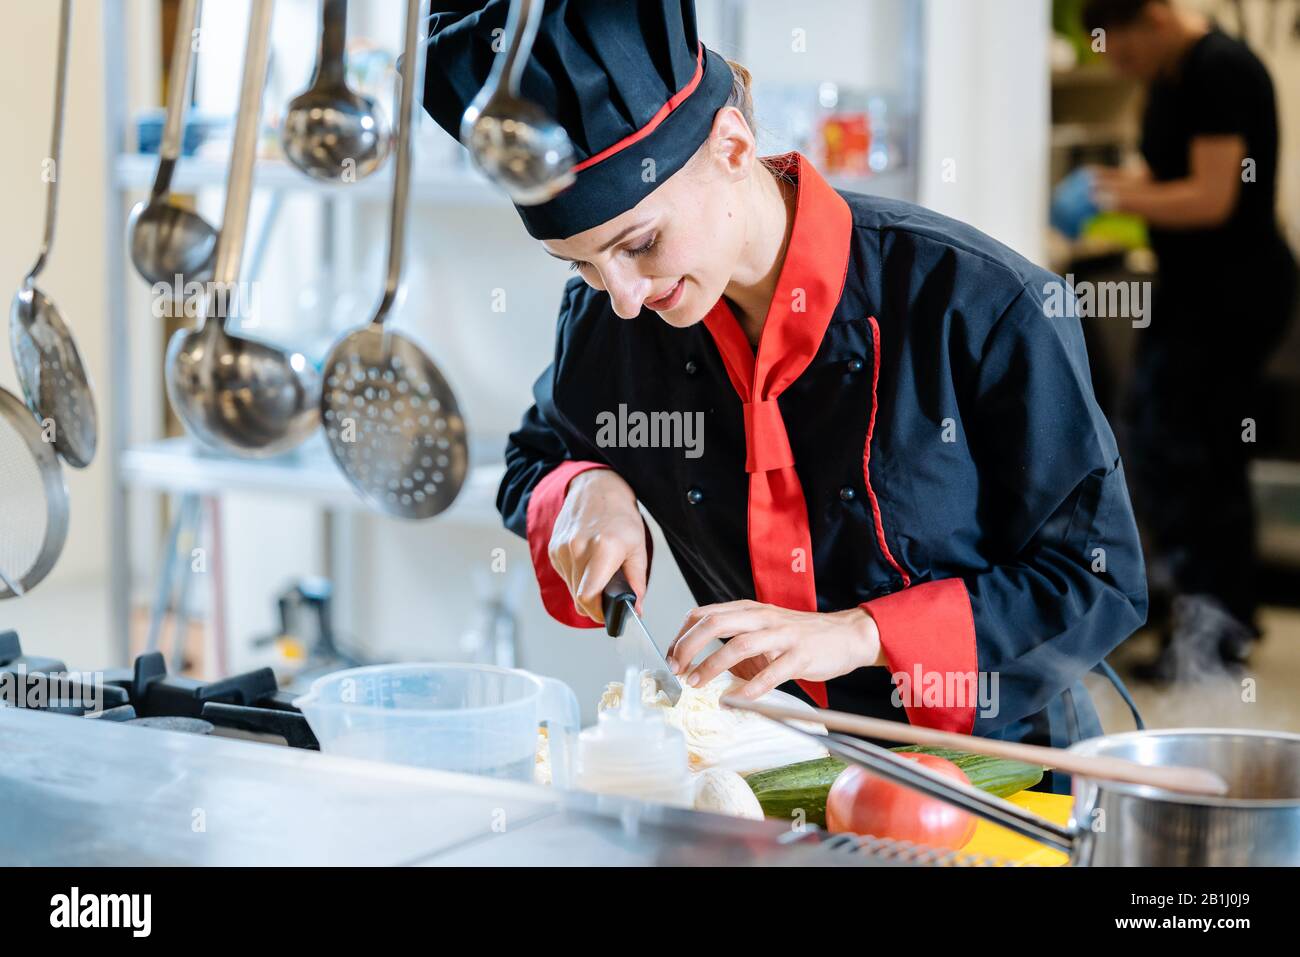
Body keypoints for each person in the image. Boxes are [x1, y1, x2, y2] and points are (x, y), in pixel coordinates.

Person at [423, 0, 1148, 788]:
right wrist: (585, 486)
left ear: (731, 146)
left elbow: (1095, 577)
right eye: (585, 265)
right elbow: (539, 454)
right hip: (757, 776)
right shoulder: (614, 321)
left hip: (990, 776)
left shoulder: (975, 303)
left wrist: (857, 634)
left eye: (639, 243)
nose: (623, 297)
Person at [1083, 0, 1299, 680]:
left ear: (1152, 17)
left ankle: (1215, 635)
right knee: (1168, 447)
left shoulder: (1222, 71)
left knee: (1196, 459)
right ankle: (1205, 624)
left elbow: (1213, 197)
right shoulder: (1173, 78)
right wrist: (1114, 187)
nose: (1122, 66)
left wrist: (1116, 198)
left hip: (1232, 297)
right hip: (1190, 294)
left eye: (1121, 51)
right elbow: (1171, 177)